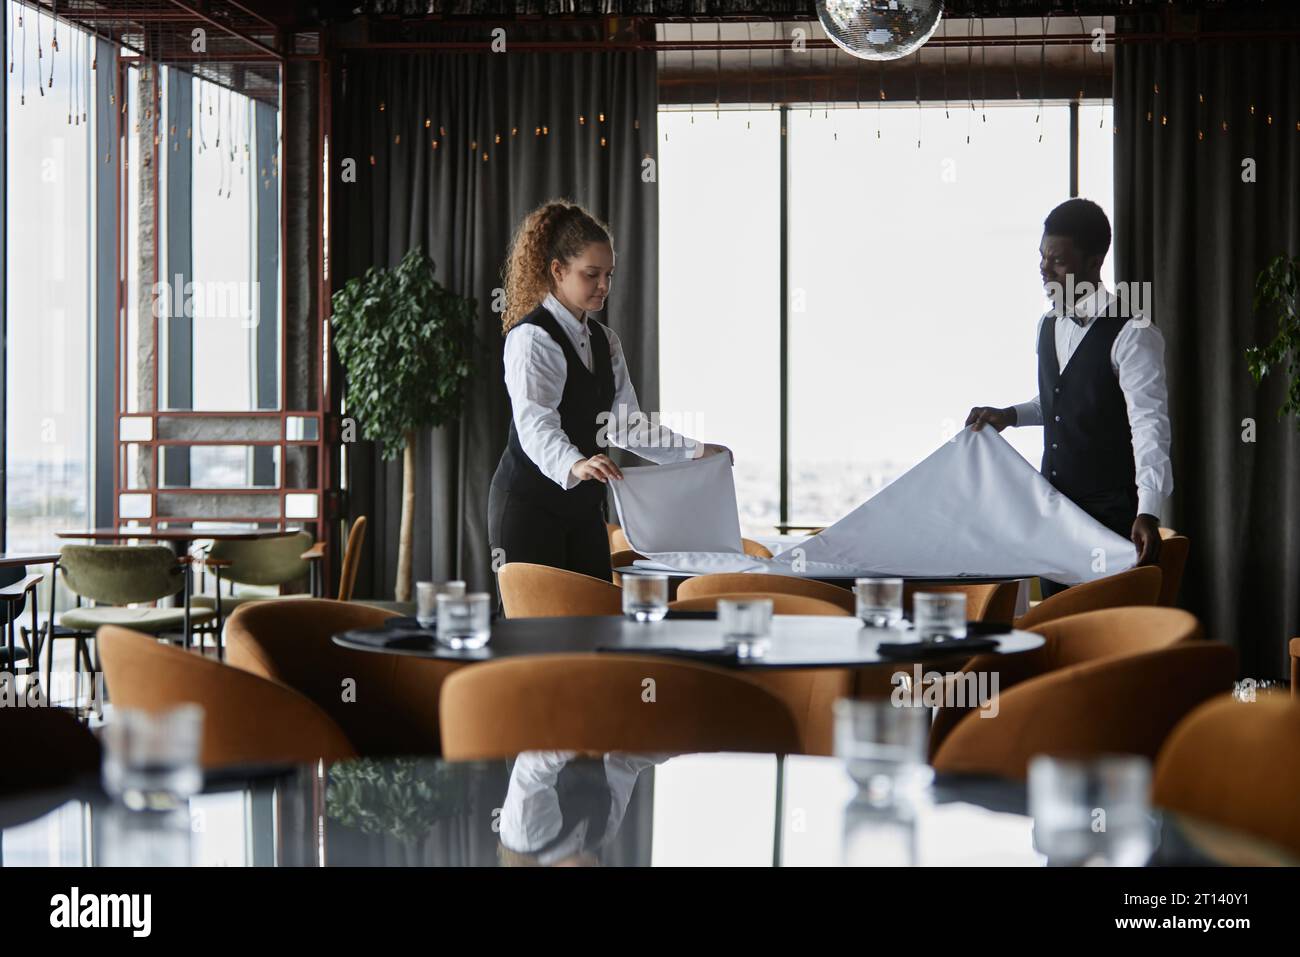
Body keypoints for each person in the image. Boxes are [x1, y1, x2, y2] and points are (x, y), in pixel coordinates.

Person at [489, 199, 728, 582]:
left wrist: (695, 452)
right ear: (558, 270)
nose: (604, 286)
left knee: (594, 621)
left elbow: (626, 425)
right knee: (535, 633)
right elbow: (536, 426)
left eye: (609, 275)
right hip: (529, 507)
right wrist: (576, 463)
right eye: (591, 274)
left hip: (584, 508)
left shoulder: (606, 341)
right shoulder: (532, 339)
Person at [965, 198, 1172, 595]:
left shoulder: (1134, 332)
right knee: (1056, 634)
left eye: (1057, 261)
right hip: (1055, 518)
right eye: (1042, 257)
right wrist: (1009, 415)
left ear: (1094, 262)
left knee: (1105, 633)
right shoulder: (1046, 324)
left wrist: (1148, 510)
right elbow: (1057, 404)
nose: (1043, 269)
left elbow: (1150, 426)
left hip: (1111, 518)